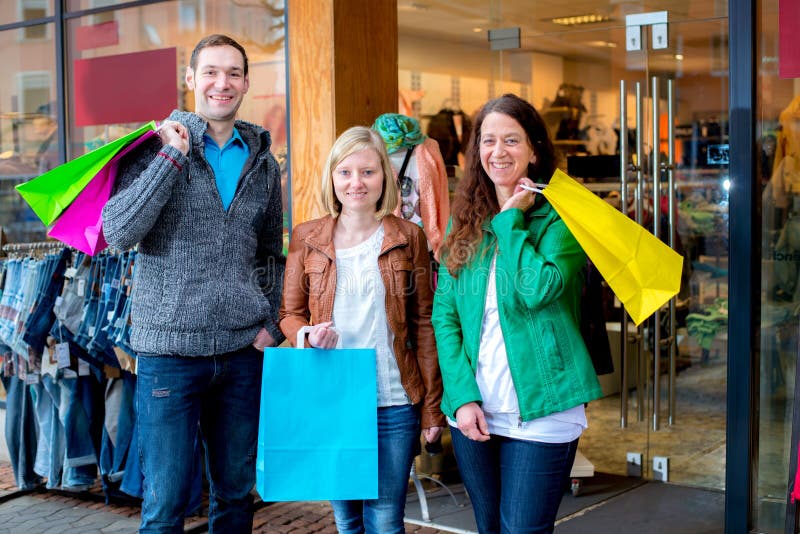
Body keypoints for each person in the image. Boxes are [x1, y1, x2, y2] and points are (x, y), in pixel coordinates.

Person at [102, 34, 285, 532]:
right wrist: (170, 159)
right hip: (169, 359)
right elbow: (118, 233)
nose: (221, 84)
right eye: (210, 72)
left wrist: (271, 323)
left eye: (232, 73)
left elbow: (272, 254)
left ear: (246, 82)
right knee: (165, 507)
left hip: (242, 355)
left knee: (234, 496)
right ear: (190, 80)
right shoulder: (152, 149)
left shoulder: (264, 163)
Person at [431, 93, 603, 534]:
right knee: (489, 528)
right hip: (476, 408)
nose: (498, 151)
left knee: (522, 529)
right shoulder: (464, 220)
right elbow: (445, 315)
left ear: (534, 150)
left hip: (542, 407)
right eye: (488, 141)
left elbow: (537, 290)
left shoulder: (562, 217)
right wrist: (462, 395)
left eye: (511, 140)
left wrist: (512, 221)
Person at [279, 126, 445, 534]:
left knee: (386, 520)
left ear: (385, 179)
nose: (356, 183)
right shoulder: (306, 237)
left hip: (392, 400)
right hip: (331, 398)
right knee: (347, 520)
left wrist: (430, 407)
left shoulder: (409, 237)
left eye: (368, 172)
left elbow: (425, 324)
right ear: (332, 177)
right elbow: (288, 312)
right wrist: (306, 336)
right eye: (346, 172)